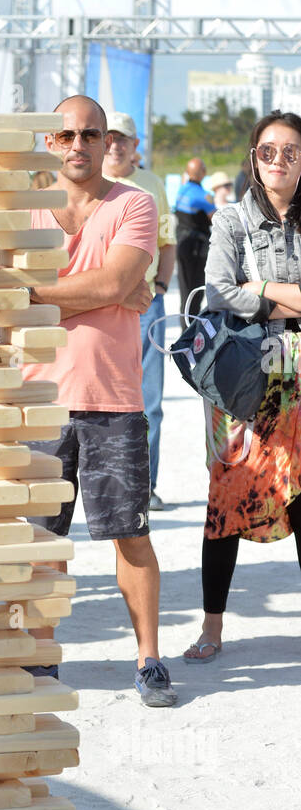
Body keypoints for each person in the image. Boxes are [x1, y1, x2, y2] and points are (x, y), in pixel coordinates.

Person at [25, 95, 177, 708]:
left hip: (112, 398)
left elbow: (117, 280)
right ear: (50, 142)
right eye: (67, 135)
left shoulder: (134, 203)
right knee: (42, 542)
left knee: (130, 536)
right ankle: (40, 659)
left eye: (91, 134)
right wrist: (107, 292)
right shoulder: (23, 210)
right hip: (37, 399)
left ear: (106, 140)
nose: (80, 145)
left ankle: (149, 659)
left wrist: (35, 293)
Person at [184, 110, 301, 663]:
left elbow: (242, 291)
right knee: (227, 501)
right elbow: (218, 292)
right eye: (268, 150)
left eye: (291, 151)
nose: (279, 160)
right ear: (254, 157)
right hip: (241, 377)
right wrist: (282, 297)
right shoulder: (232, 219)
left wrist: (261, 286)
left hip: (298, 375)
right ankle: (212, 627)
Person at [103, 112, 176, 509]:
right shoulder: (89, 182)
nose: (115, 145)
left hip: (146, 306)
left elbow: (168, 242)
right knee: (95, 400)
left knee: (149, 402)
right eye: (109, 137)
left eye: (123, 139)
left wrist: (160, 287)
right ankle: (103, 485)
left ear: (135, 146)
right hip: (98, 307)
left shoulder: (153, 185)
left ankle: (144, 486)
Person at [174, 157, 215, 318]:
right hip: (198, 248)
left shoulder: (181, 191)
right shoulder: (204, 196)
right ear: (203, 173)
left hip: (181, 242)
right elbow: (216, 219)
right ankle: (192, 325)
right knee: (196, 291)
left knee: (184, 289)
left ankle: (184, 325)